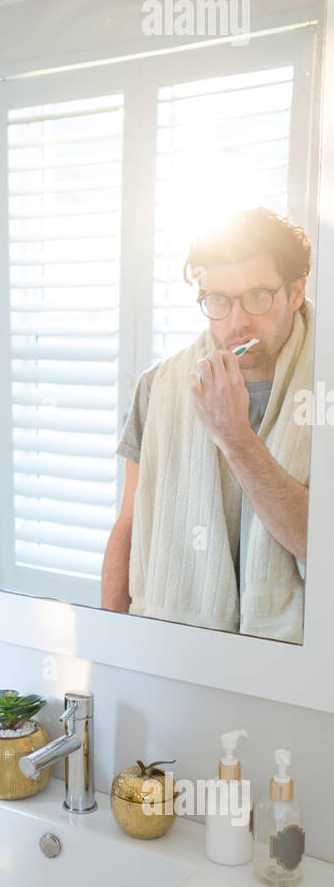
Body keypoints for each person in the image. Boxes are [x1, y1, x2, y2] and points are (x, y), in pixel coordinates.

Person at [101, 208, 311, 641]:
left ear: (295, 291)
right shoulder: (160, 387)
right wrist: (114, 641)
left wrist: (234, 435)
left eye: (258, 296)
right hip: (184, 656)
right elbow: (130, 524)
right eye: (217, 300)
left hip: (302, 674)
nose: (237, 322)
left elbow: (319, 546)